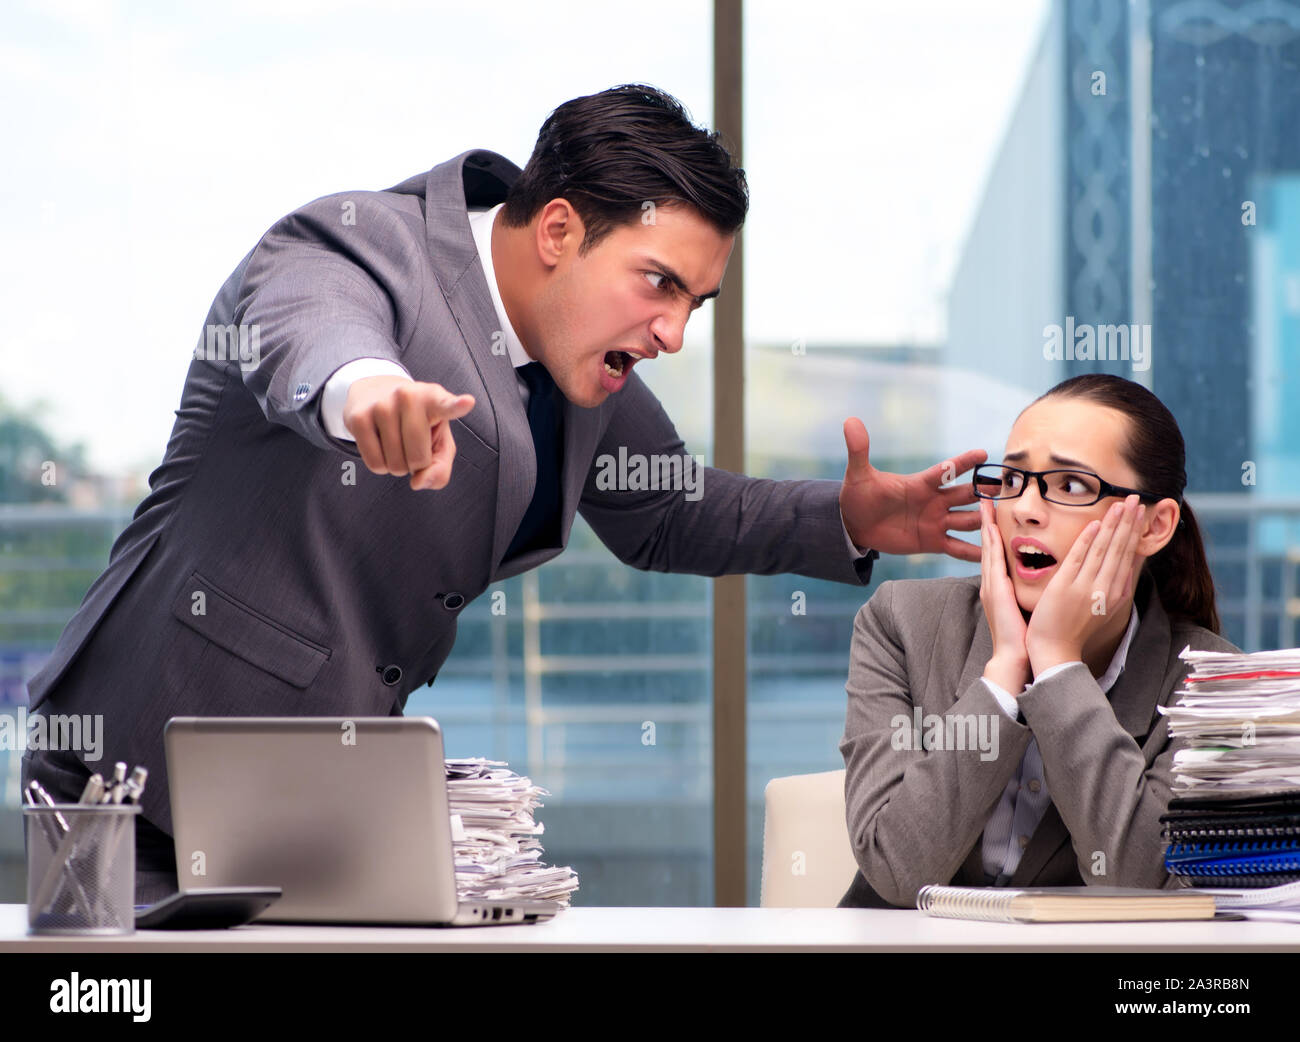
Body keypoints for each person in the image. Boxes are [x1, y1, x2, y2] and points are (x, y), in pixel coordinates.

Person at [22, 83, 986, 904]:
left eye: (695, 302)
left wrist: (849, 519)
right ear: (560, 228)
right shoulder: (357, 247)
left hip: (312, 802)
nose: (673, 333)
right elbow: (312, 335)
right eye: (658, 285)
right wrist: (369, 392)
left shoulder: (582, 373)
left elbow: (667, 511)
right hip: (133, 774)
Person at [838, 373, 1239, 908]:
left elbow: (1148, 884)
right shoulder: (901, 623)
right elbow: (895, 869)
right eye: (1011, 480)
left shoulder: (1214, 684)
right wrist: (1004, 672)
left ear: (1153, 526)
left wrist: (1057, 667)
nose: (1025, 508)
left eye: (1071, 485)